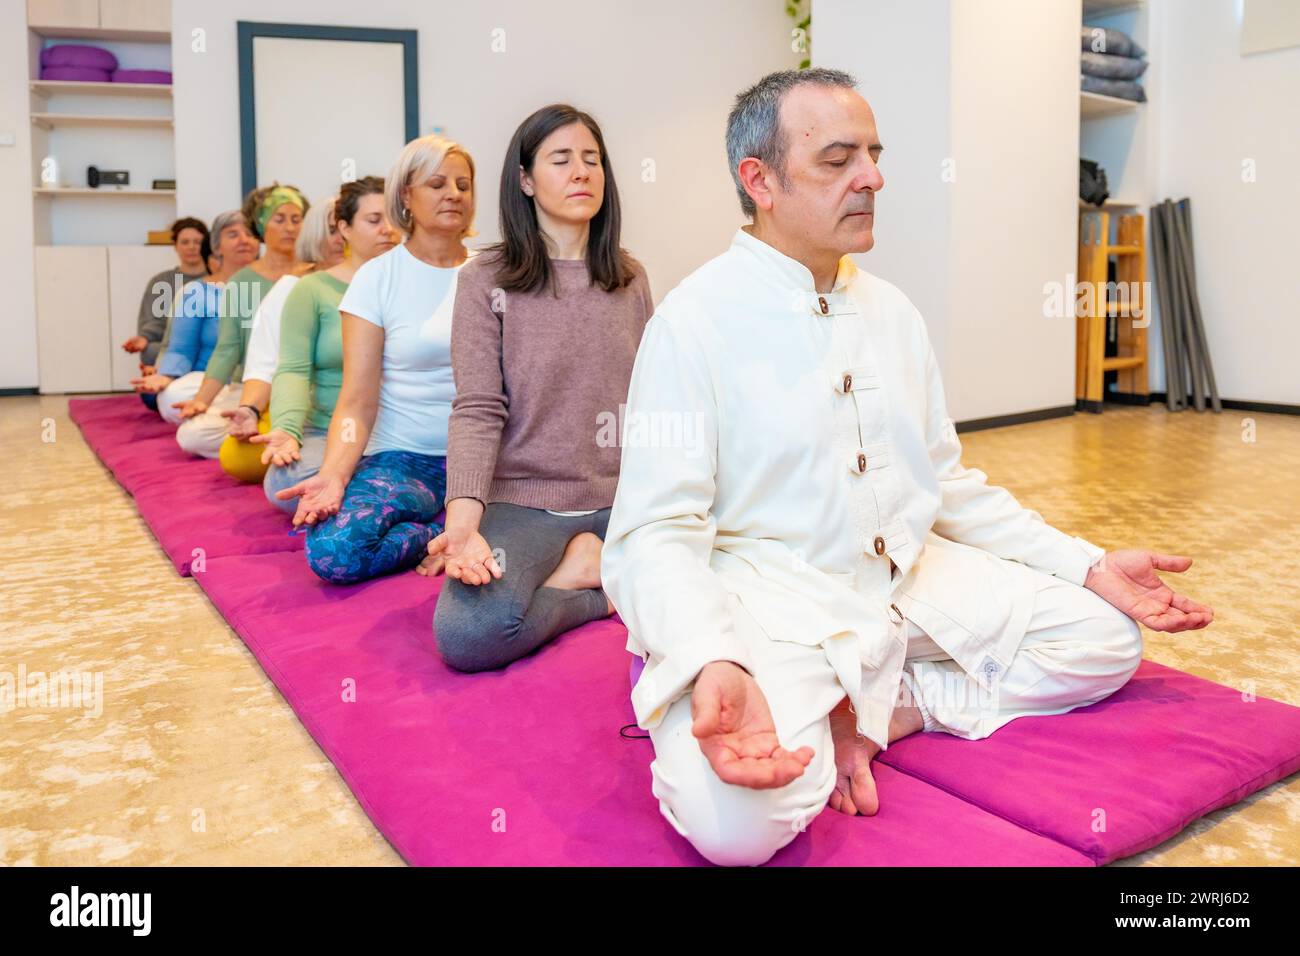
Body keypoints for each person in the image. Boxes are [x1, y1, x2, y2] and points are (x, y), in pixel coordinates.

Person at [599, 69, 1214, 867]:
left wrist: (1088, 565)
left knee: (1106, 639)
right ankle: (813, 704)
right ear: (760, 182)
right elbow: (655, 533)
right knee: (734, 830)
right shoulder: (692, 322)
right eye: (838, 160)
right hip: (770, 603)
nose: (873, 177)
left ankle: (891, 710)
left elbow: (946, 483)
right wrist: (711, 654)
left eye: (875, 155)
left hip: (900, 585)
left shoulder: (891, 310)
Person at [424, 104, 653, 673]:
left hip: (626, 501)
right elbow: (477, 407)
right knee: (469, 634)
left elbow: (655, 398)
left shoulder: (629, 277)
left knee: (736, 588)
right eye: (561, 160)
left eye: (592, 160)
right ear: (525, 180)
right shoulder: (485, 279)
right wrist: (463, 523)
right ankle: (594, 588)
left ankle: (598, 566)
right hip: (528, 502)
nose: (582, 173)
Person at [275, 136, 472, 584]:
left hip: (488, 462)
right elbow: (357, 400)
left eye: (464, 185)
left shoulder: (495, 273)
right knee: (333, 551)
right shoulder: (377, 279)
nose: (454, 194)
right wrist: (333, 474)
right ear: (406, 195)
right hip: (405, 459)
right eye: (437, 183)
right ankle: (440, 532)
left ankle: (467, 523)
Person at [256, 177, 397, 509]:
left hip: (399, 433)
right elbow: (293, 368)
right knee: (286, 482)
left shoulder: (410, 284)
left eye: (394, 217)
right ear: (344, 228)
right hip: (331, 431)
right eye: (374, 220)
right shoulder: (311, 289)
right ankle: (384, 494)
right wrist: (287, 429)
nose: (388, 229)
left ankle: (370, 494)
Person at [217, 196, 346, 483]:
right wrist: (249, 410)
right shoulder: (291, 288)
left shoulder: (377, 283)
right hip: (302, 411)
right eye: (332, 229)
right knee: (237, 457)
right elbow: (265, 365)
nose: (341, 238)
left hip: (362, 419)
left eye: (347, 228)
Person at [173, 184, 308, 458]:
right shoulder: (242, 281)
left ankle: (280, 439)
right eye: (279, 219)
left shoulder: (315, 272)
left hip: (304, 386)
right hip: (251, 389)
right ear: (260, 226)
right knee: (192, 435)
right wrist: (201, 401)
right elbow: (228, 348)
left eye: (296, 219)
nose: (290, 228)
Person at [130, 211, 258, 421]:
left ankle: (229, 416)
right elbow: (182, 348)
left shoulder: (273, 285)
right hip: (207, 380)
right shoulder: (196, 291)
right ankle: (232, 415)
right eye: (233, 234)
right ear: (216, 246)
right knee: (172, 397)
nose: (244, 240)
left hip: (257, 382)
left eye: (250, 234)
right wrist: (167, 375)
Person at [121, 216, 210, 370]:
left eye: (198, 242)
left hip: (208, 347)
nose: (192, 247)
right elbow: (156, 322)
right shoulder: (163, 282)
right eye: (185, 242)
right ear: (175, 246)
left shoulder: (219, 279)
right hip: (172, 348)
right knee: (151, 350)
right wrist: (144, 338)